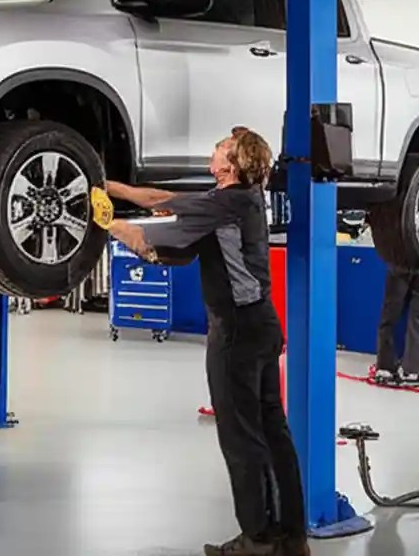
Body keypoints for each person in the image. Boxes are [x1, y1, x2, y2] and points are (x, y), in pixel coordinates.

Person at [103, 127, 308, 556]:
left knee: (240, 436)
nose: (212, 150)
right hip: (263, 326)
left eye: (220, 148)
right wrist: (140, 233)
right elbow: (189, 245)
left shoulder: (226, 201)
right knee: (273, 431)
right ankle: (291, 537)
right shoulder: (241, 200)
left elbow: (159, 202)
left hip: (235, 332)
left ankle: (257, 539)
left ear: (231, 164)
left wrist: (108, 206)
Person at [367, 205, 419, 387]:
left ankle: (385, 367)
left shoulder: (400, 202)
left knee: (390, 317)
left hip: (400, 263)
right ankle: (411, 370)